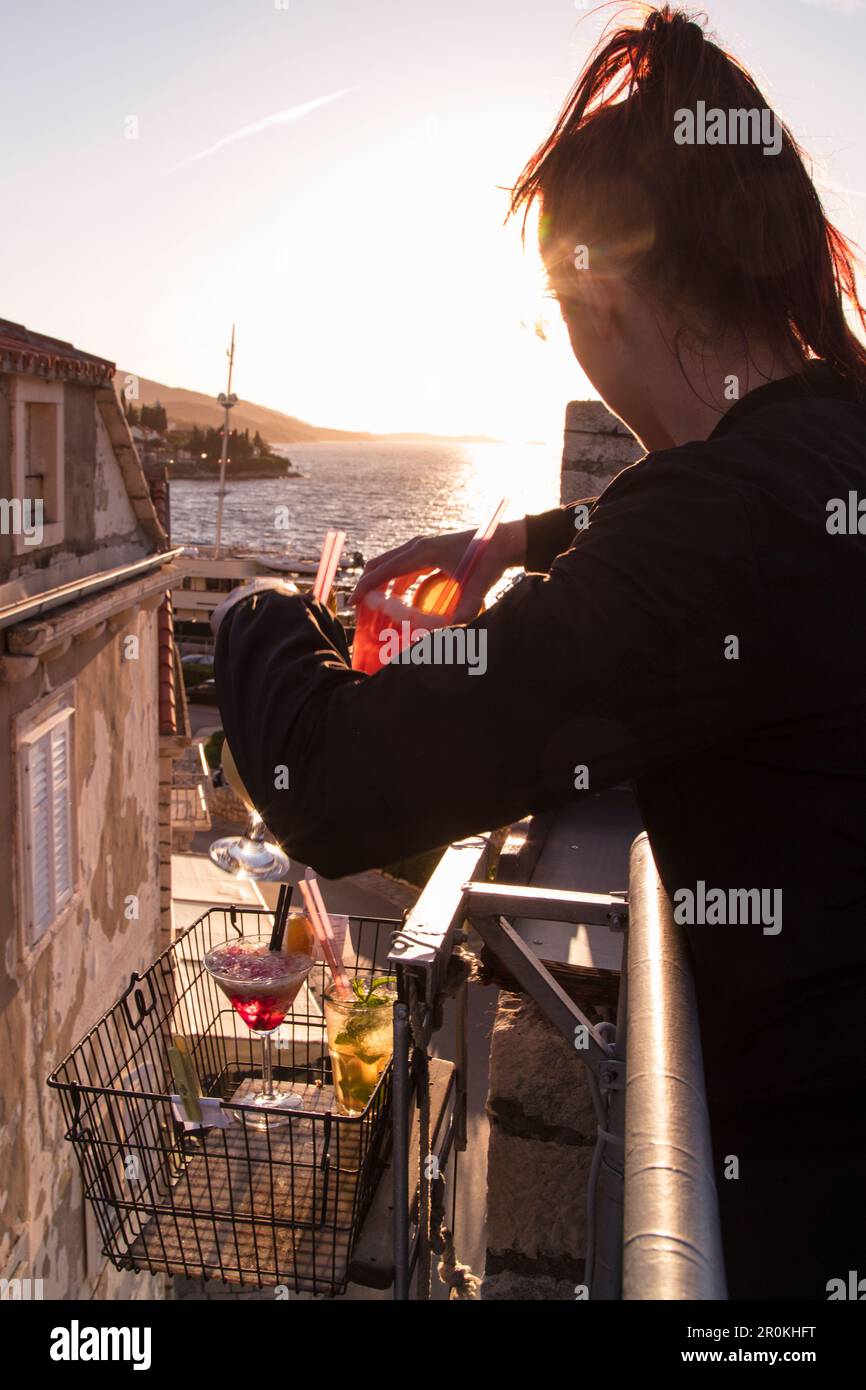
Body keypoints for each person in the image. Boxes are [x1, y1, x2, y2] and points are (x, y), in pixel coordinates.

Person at [214, 6, 866, 1298]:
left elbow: (325, 781)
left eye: (551, 310)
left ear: (601, 284)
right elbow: (726, 538)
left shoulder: (715, 529)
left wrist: (266, 600)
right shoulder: (825, 445)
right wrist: (526, 527)